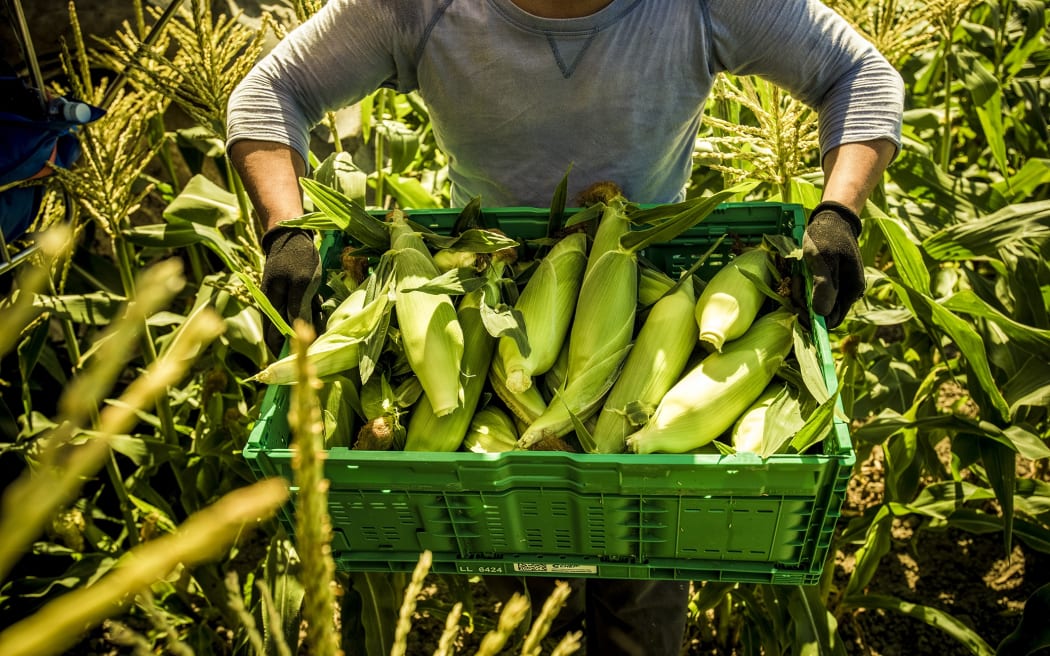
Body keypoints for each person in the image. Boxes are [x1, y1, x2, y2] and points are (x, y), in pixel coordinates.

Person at [227, 1, 904, 654]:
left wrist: (839, 213)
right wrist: (287, 228)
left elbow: (862, 77)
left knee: (640, 570)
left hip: (647, 305)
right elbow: (270, 92)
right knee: (517, 563)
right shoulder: (419, 7)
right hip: (486, 310)